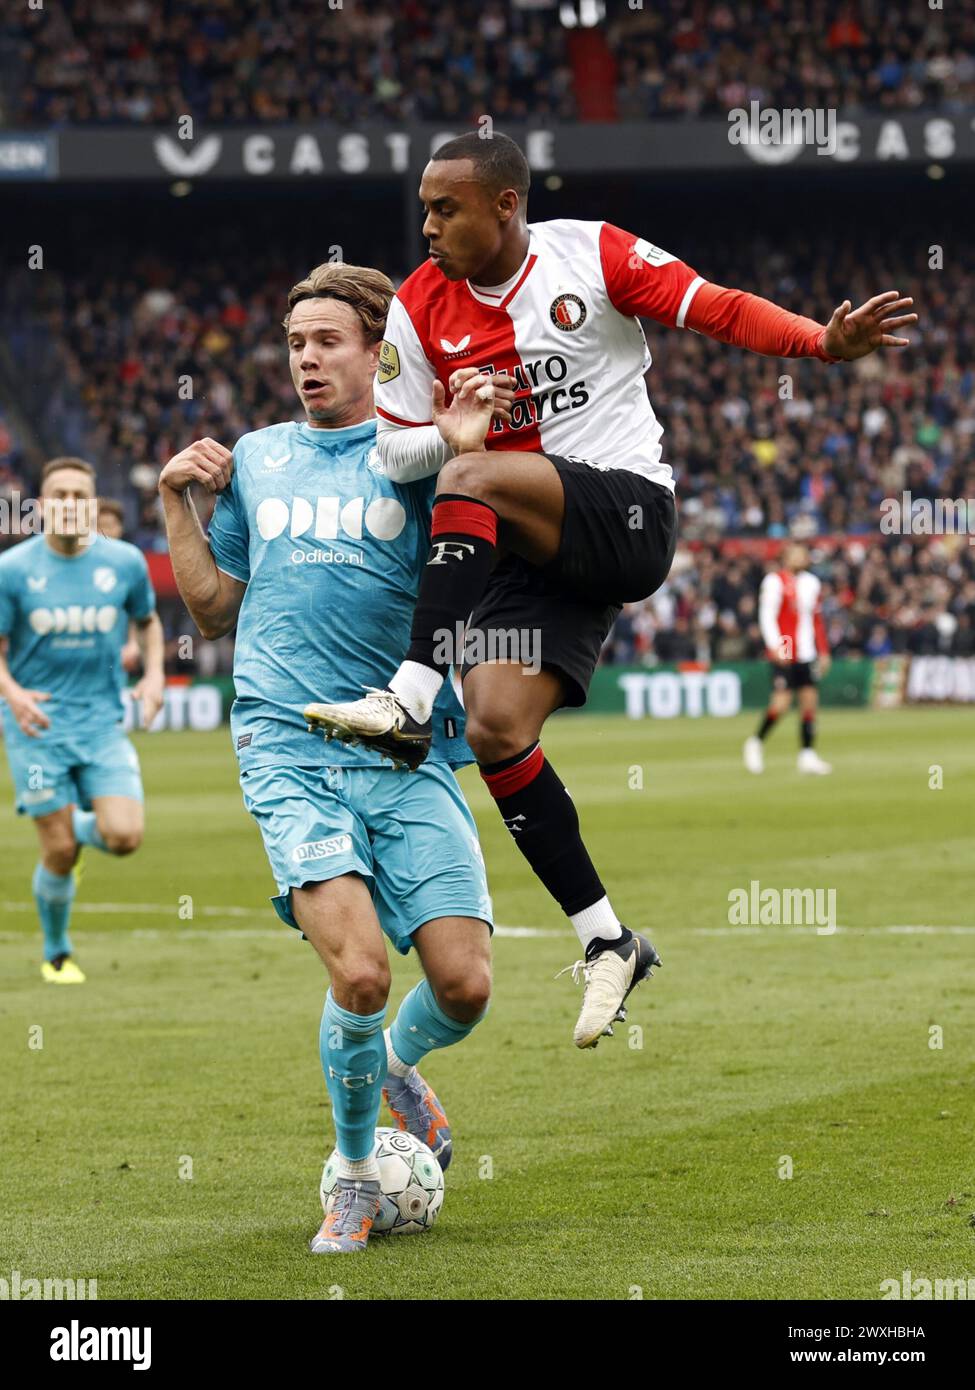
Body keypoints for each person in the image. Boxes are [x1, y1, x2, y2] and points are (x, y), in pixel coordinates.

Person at [304, 131, 916, 1047]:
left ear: (505, 204)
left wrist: (820, 343)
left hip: (624, 516)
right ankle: (608, 940)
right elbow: (397, 452)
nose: (425, 225)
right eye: (423, 207)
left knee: (470, 482)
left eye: (445, 207)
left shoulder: (590, 252)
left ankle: (406, 695)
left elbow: (715, 307)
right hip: (526, 553)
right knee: (498, 727)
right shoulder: (417, 309)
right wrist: (453, 429)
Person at [159, 262, 493, 1256]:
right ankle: (352, 1174)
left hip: (403, 739)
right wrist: (177, 501)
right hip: (288, 740)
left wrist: (469, 446)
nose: (306, 356)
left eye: (328, 340)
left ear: (376, 348)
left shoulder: (423, 454)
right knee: (358, 972)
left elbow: (486, 558)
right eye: (297, 341)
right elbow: (214, 608)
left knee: (466, 984)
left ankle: (394, 1059)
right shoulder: (257, 458)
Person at [0, 458, 164, 982]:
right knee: (60, 849)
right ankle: (56, 953)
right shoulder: (14, 570)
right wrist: (14, 694)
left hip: (101, 723)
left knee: (125, 835)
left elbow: (147, 622)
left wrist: (155, 676)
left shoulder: (124, 562)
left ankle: (75, 833)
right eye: (60, 496)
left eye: (79, 496)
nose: (70, 505)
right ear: (42, 506)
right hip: (37, 727)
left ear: (92, 507)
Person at [744, 544, 832, 775]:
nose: (801, 558)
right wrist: (775, 647)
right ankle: (756, 742)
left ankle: (807, 755)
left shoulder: (811, 583)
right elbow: (767, 615)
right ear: (785, 558)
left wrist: (823, 651)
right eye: (796, 554)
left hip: (806, 652)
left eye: (803, 554)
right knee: (781, 704)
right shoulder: (774, 581)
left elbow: (816, 619)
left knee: (809, 702)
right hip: (785, 650)